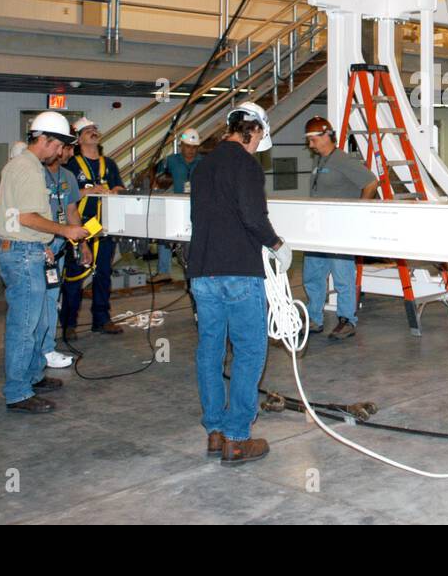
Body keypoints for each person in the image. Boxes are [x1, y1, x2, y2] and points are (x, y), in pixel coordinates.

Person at [187, 101, 291, 465]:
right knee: (249, 351)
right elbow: (252, 214)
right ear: (255, 130)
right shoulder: (246, 164)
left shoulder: (201, 166)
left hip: (202, 271)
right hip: (239, 272)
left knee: (210, 351)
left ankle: (215, 431)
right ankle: (236, 438)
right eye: (260, 135)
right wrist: (278, 245)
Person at [0, 112, 89, 413]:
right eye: (59, 145)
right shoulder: (27, 168)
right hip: (23, 253)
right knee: (24, 324)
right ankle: (18, 392)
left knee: (35, 321)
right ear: (45, 140)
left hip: (29, 248)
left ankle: (33, 376)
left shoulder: (24, 165)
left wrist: (44, 245)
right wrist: (66, 231)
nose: (61, 152)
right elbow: (27, 217)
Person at [301, 115, 378, 340]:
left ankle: (347, 320)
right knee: (313, 275)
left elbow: (371, 182)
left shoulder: (343, 160)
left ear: (327, 135)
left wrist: (358, 210)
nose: (310, 144)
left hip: (339, 229)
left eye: (313, 139)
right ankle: (314, 318)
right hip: (317, 230)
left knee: (342, 275)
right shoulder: (319, 161)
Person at [61, 117, 125, 337]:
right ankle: (69, 323)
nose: (93, 132)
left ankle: (102, 319)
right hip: (80, 226)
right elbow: (64, 196)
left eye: (95, 129)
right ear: (78, 139)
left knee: (103, 274)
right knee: (75, 276)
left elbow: (119, 185)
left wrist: (113, 191)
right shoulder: (70, 166)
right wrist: (87, 191)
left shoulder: (109, 163)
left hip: (104, 226)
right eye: (87, 130)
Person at [43, 144, 87, 368]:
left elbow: (71, 212)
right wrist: (41, 244)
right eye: (67, 149)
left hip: (58, 250)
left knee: (52, 300)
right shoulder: (33, 174)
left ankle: (47, 349)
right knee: (34, 304)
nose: (70, 154)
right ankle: (34, 351)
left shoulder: (67, 176)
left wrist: (83, 243)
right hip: (37, 249)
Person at [150, 128, 202, 285]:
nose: (191, 150)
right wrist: (156, 187)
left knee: (192, 240)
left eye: (194, 147)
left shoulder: (203, 162)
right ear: (181, 145)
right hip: (174, 204)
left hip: (195, 205)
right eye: (187, 146)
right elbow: (154, 171)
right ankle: (164, 271)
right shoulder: (171, 160)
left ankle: (193, 272)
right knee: (165, 236)